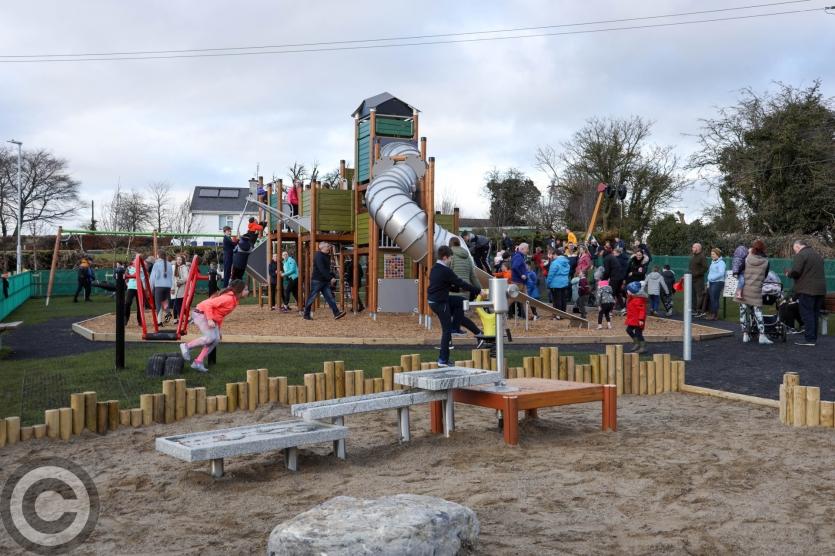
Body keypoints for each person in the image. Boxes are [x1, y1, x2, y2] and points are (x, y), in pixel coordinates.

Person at [427, 245, 481, 367]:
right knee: (446, 331)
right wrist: (478, 291)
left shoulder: (435, 268)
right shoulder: (445, 270)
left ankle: (455, 328)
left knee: (461, 301)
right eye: (450, 258)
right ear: (445, 257)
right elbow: (460, 282)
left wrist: (455, 288)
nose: (451, 261)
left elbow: (445, 284)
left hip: (435, 300)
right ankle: (442, 360)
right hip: (440, 303)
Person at [179, 279, 248, 372]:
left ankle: (198, 362)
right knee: (210, 338)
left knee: (216, 339)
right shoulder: (228, 298)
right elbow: (208, 304)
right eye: (246, 289)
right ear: (239, 290)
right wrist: (210, 319)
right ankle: (186, 346)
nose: (248, 292)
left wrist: (218, 330)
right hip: (201, 313)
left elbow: (220, 315)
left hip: (208, 316)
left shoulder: (234, 300)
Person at [785, 239, 827, 346]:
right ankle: (813, 338)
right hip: (820, 290)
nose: (795, 252)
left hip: (807, 290)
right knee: (814, 314)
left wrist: (788, 273)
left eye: (795, 250)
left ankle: (809, 339)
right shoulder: (818, 255)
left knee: (807, 314)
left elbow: (796, 272)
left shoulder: (801, 255)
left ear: (798, 247)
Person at [738, 240, 772, 345]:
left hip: (744, 289)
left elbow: (739, 270)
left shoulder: (747, 258)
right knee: (758, 312)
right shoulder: (766, 262)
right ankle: (762, 336)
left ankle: (745, 335)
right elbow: (765, 276)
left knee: (743, 312)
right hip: (756, 289)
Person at [303, 242, 346, 320]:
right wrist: (330, 278)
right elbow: (321, 269)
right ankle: (306, 314)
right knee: (312, 297)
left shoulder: (326, 256)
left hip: (324, 281)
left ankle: (336, 313)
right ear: (322, 247)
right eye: (327, 246)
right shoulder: (319, 256)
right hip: (317, 281)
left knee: (329, 297)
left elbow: (326, 269)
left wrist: (331, 276)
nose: (329, 247)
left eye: (329, 246)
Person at [448, 237, 482, 336]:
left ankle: (478, 333)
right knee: (458, 316)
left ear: (450, 245)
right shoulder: (468, 257)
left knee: (453, 316)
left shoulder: (450, 255)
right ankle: (476, 332)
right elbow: (473, 276)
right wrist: (479, 289)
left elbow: (447, 272)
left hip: (452, 291)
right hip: (465, 292)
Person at [149, 252, 174, 324]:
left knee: (158, 303)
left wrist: (151, 287)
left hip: (159, 286)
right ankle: (167, 312)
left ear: (158, 256)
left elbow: (153, 277)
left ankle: (159, 321)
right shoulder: (169, 264)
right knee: (165, 302)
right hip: (168, 286)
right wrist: (172, 286)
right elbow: (171, 276)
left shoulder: (156, 264)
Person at [625, 281, 649, 353]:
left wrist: (641, 319)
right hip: (632, 319)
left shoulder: (639, 300)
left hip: (638, 320)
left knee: (638, 333)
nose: (627, 291)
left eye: (628, 291)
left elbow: (642, 310)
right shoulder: (632, 297)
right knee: (629, 330)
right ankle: (636, 343)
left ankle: (643, 346)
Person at [547, 248, 570, 313]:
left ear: (556, 254)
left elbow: (551, 274)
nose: (552, 257)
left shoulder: (555, 263)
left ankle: (557, 314)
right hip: (564, 282)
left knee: (556, 299)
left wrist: (548, 283)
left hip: (555, 283)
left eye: (553, 255)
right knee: (563, 299)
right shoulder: (566, 262)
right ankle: (563, 313)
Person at [124, 254, 145, 326]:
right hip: (131, 287)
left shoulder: (142, 268)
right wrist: (127, 283)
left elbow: (144, 278)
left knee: (140, 305)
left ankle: (140, 320)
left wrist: (144, 288)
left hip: (140, 288)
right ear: (133, 261)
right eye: (135, 260)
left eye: (138, 260)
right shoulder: (129, 268)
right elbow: (126, 277)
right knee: (127, 303)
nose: (137, 262)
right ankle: (126, 319)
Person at [689, 243, 709, 317]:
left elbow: (705, 268)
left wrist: (697, 273)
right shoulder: (694, 256)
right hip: (692, 279)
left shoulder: (702, 257)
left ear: (698, 248)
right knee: (692, 294)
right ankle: (693, 310)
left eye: (693, 247)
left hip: (699, 280)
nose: (692, 248)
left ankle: (699, 311)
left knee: (699, 295)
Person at [706, 248, 726, 321]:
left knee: (714, 298)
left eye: (713, 254)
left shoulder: (721, 263)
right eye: (711, 254)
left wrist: (712, 278)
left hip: (718, 282)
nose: (712, 256)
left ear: (718, 254)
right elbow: (710, 273)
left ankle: (714, 315)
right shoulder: (712, 262)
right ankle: (712, 313)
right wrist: (709, 281)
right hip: (711, 282)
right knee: (712, 298)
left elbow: (721, 273)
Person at [510, 243, 529, 317]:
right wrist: (521, 275)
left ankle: (528, 315)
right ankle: (501, 311)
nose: (527, 250)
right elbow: (515, 267)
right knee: (511, 298)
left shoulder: (519, 256)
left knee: (526, 299)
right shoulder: (518, 257)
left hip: (520, 282)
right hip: (518, 282)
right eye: (527, 249)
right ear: (522, 249)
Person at [171, 255, 189, 323]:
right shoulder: (173, 267)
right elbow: (171, 278)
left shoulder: (184, 267)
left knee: (177, 303)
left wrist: (180, 282)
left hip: (181, 288)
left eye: (180, 260)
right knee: (175, 303)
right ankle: (175, 319)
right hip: (174, 287)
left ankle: (181, 317)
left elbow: (186, 278)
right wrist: (172, 288)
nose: (178, 261)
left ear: (183, 261)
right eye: (177, 259)